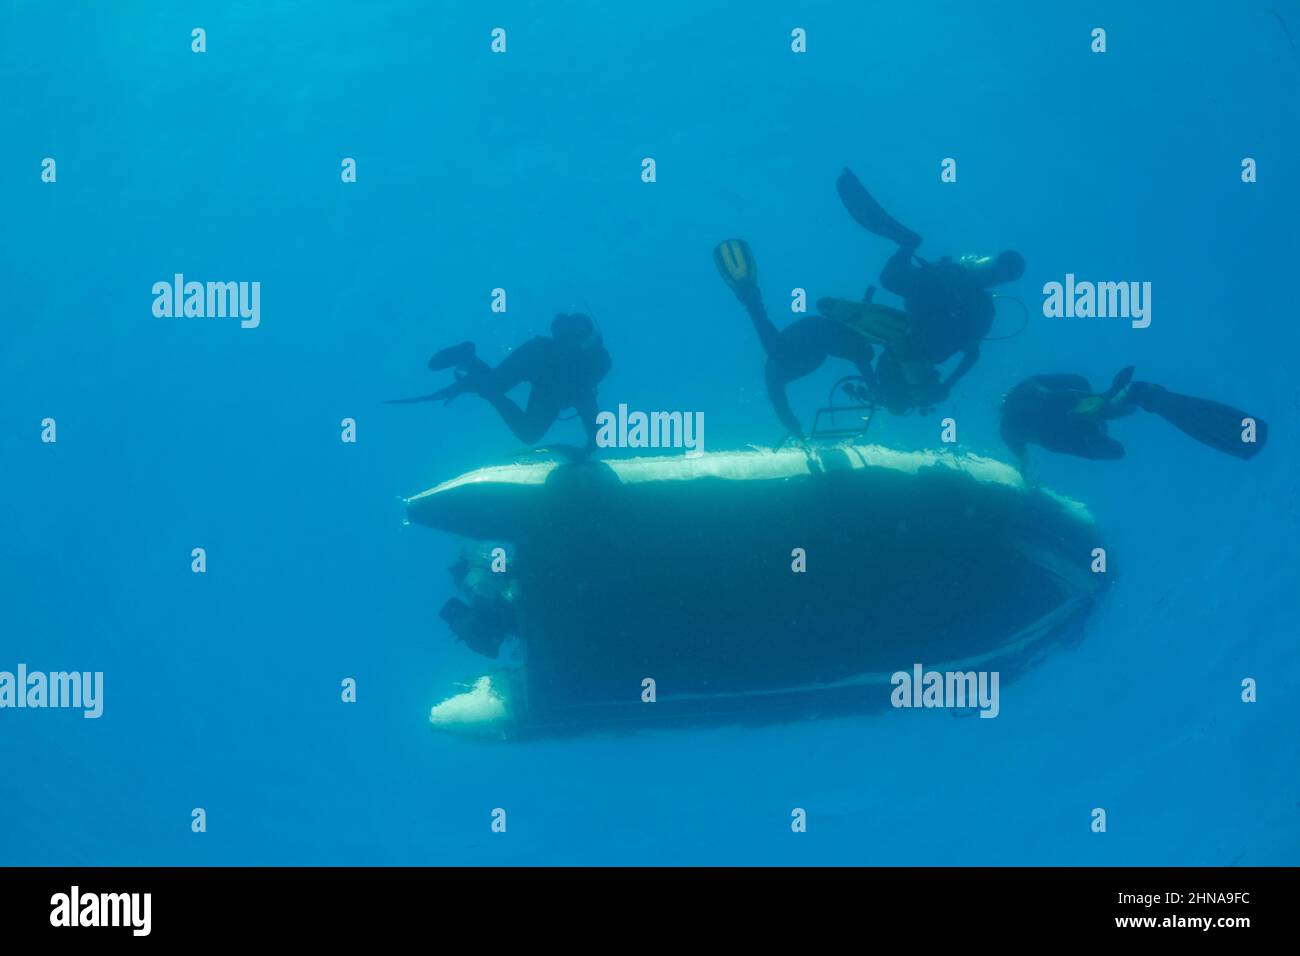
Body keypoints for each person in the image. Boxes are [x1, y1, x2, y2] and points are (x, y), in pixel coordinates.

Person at [831, 168, 1025, 407]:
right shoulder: (983, 306)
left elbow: (970, 353)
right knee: (894, 283)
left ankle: (908, 245)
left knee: (892, 281)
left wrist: (948, 383)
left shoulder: (976, 298)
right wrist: (948, 384)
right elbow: (972, 353)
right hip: (929, 308)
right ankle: (909, 245)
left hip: (929, 294)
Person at [713, 238, 876, 441]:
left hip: (813, 337)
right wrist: (797, 431)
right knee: (858, 353)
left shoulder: (778, 366)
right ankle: (751, 299)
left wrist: (798, 432)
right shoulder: (776, 370)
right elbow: (781, 408)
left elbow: (782, 408)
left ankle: (750, 299)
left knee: (859, 353)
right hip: (813, 339)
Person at [388, 313, 611, 449]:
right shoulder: (582, 384)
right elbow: (592, 419)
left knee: (495, 384)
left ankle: (468, 358)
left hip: (538, 356)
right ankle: (470, 363)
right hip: (541, 366)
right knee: (528, 431)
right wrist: (591, 446)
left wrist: (467, 385)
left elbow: (592, 421)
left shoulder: (581, 379)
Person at [1000, 366, 1268, 473]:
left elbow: (1022, 462)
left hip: (1055, 434)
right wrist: (1099, 399)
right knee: (1116, 409)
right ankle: (1126, 397)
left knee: (1116, 451)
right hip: (1066, 407)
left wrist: (1027, 481)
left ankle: (1099, 411)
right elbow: (1074, 382)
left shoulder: (1007, 431)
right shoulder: (1024, 385)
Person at [439, 544, 519, 659]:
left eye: (453, 625)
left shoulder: (478, 595)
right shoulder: (477, 598)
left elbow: (492, 652)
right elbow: (492, 653)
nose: (453, 630)